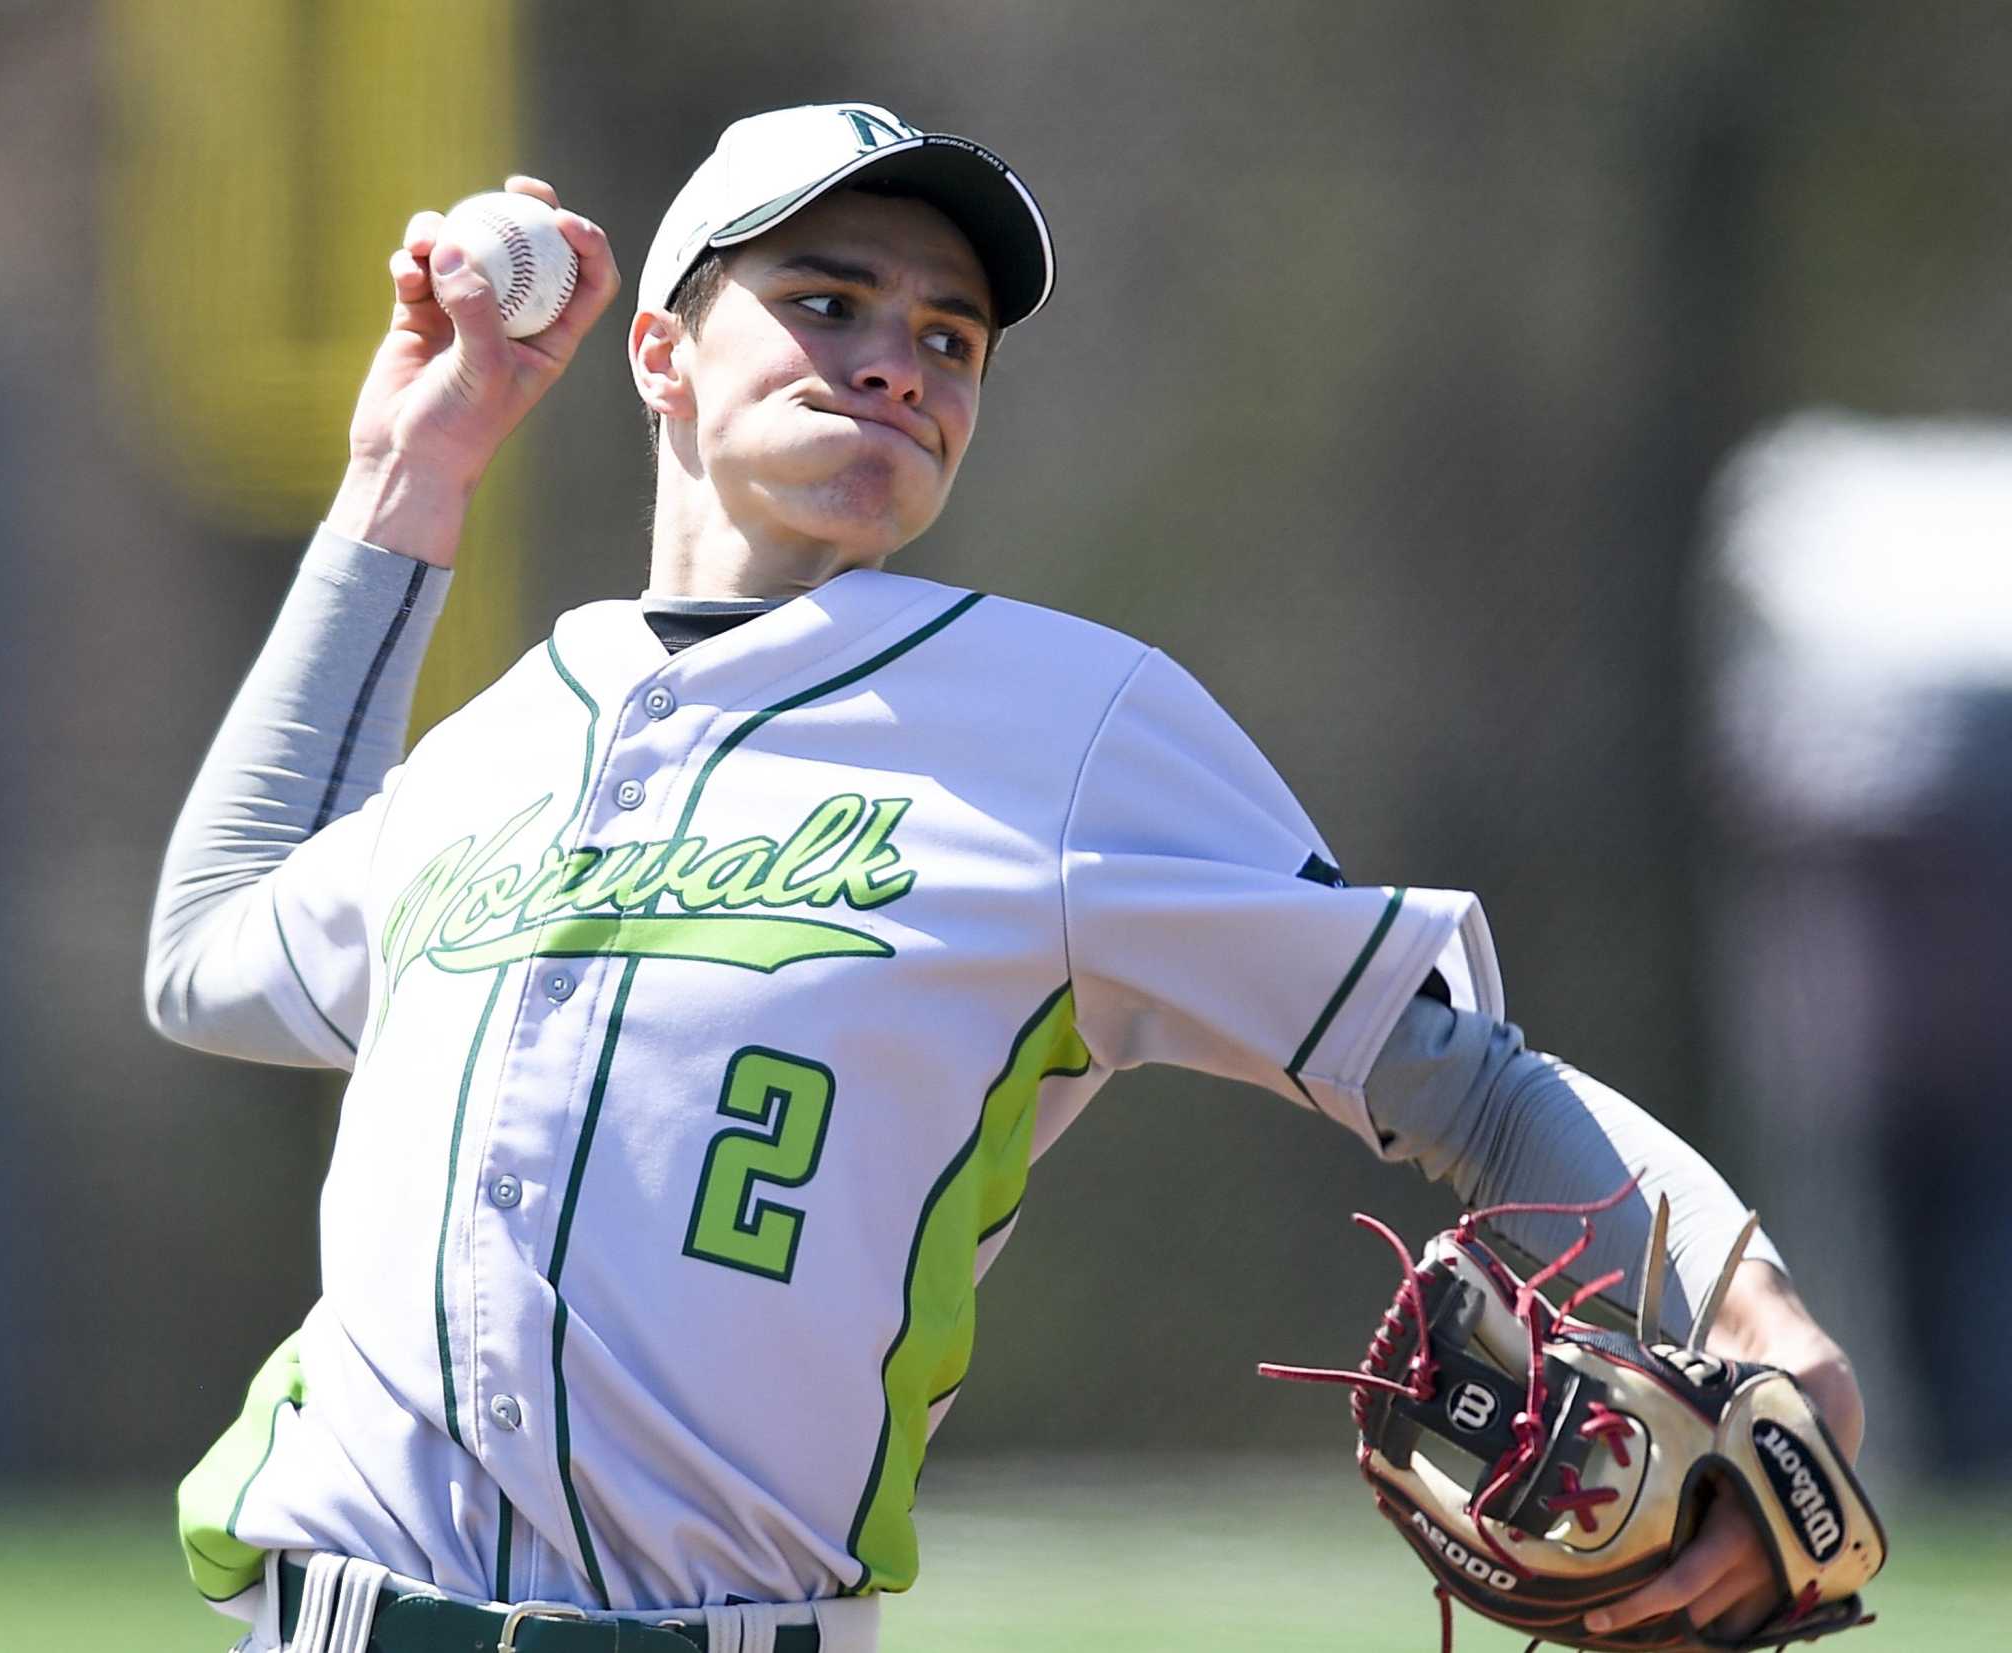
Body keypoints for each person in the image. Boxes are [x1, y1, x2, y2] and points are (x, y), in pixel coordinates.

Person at [146, 103, 1863, 1653]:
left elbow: (1460, 1081)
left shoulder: (1063, 728)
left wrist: (1750, 1311)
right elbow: (211, 950)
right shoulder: (500, 745)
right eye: (827, 302)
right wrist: (410, 471)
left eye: (947, 335)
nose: (897, 359)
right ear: (659, 350)